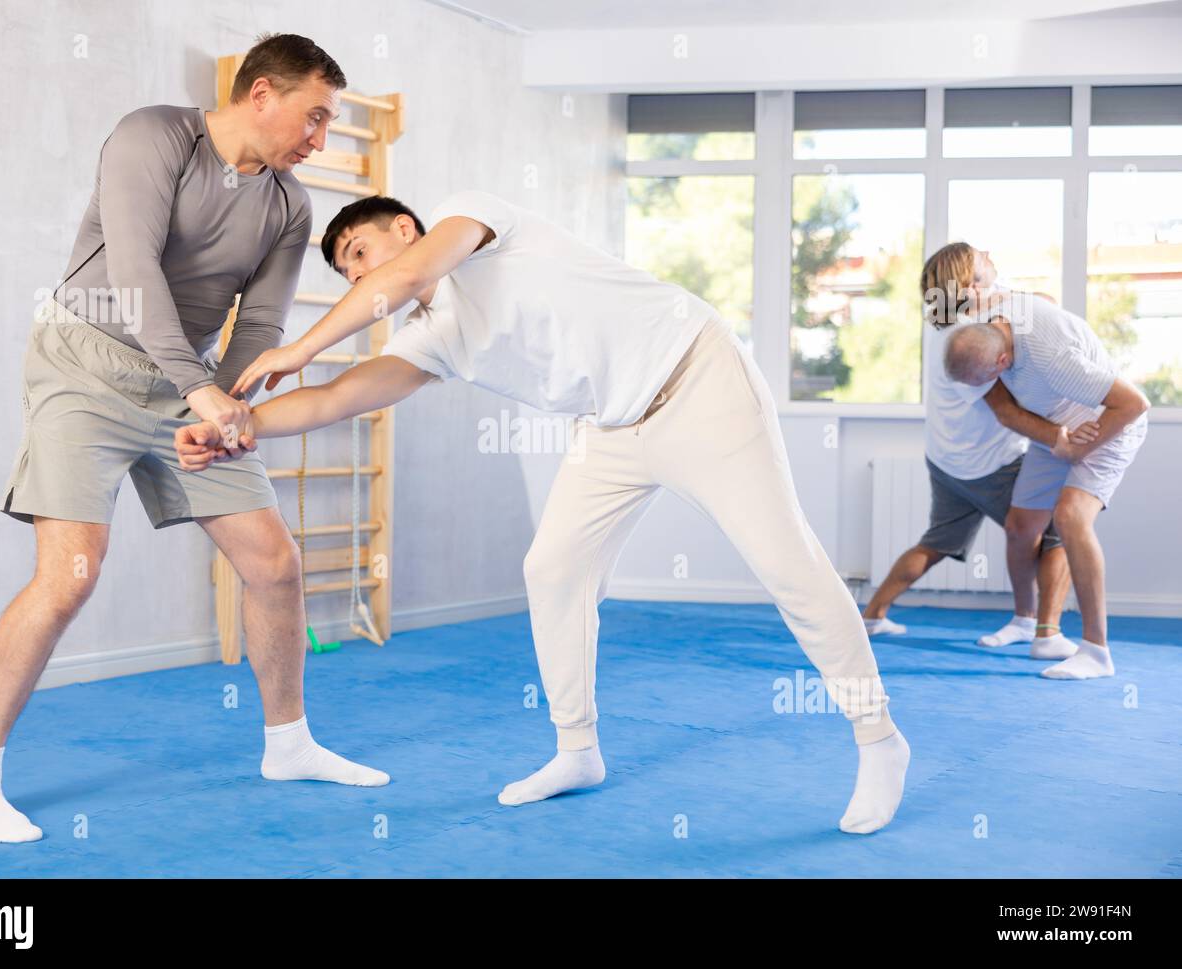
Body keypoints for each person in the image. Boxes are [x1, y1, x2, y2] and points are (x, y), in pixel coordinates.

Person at [181, 190, 912, 834]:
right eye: (344, 271)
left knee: (788, 566)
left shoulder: (479, 220)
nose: (359, 274)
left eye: (360, 253)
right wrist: (239, 425)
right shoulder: (433, 337)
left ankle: (879, 739)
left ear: (406, 228)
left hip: (698, 379)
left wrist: (301, 344)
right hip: (609, 428)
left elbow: (399, 280)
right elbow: (337, 397)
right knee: (552, 568)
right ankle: (577, 749)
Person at [0, 35, 388, 846]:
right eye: (314, 116)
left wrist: (233, 412)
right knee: (69, 577)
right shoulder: (153, 136)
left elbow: (257, 322)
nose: (320, 139)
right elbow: (134, 275)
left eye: (329, 125)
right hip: (88, 364)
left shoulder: (289, 205)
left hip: (189, 384)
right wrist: (202, 391)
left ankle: (288, 745)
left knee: (274, 562)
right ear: (261, 94)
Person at [862, 243, 1085, 660]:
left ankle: (873, 616)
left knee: (936, 542)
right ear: (968, 281)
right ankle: (1043, 631)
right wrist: (1062, 439)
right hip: (988, 466)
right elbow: (1004, 412)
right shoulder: (968, 335)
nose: (987, 251)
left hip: (946, 461)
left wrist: (999, 295)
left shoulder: (946, 320)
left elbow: (1047, 305)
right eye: (979, 257)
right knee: (1058, 531)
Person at [943, 284, 1151, 679]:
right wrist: (1060, 442)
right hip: (1056, 431)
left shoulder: (1051, 359)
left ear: (1002, 360)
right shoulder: (990, 324)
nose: (980, 391)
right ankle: (1027, 623)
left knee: (1071, 517)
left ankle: (1096, 651)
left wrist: (1076, 450)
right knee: (1021, 528)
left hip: (1108, 427)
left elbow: (1135, 404)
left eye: (983, 380)